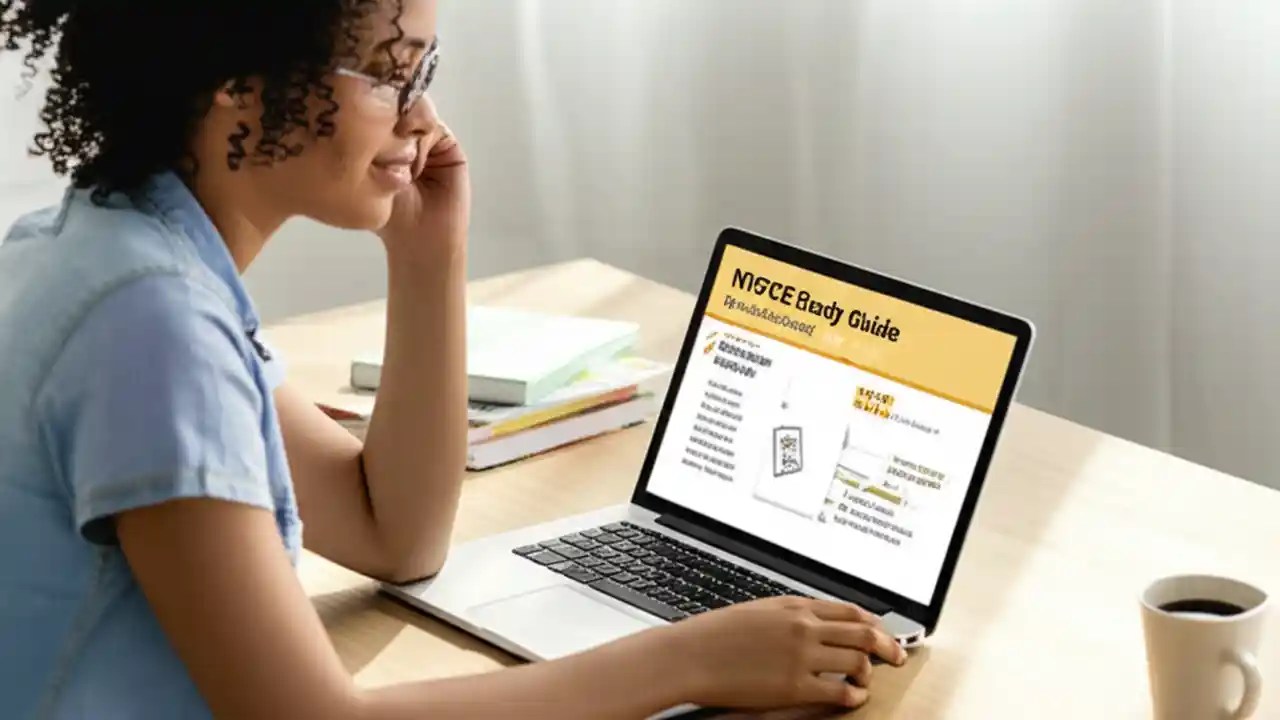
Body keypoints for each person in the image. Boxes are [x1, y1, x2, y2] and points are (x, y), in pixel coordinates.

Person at [0, 1, 907, 717]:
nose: (424, 115)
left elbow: (392, 533)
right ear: (237, 79)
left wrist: (428, 259)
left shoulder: (102, 252)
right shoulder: (151, 324)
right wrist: (693, 657)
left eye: (426, 72)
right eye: (393, 74)